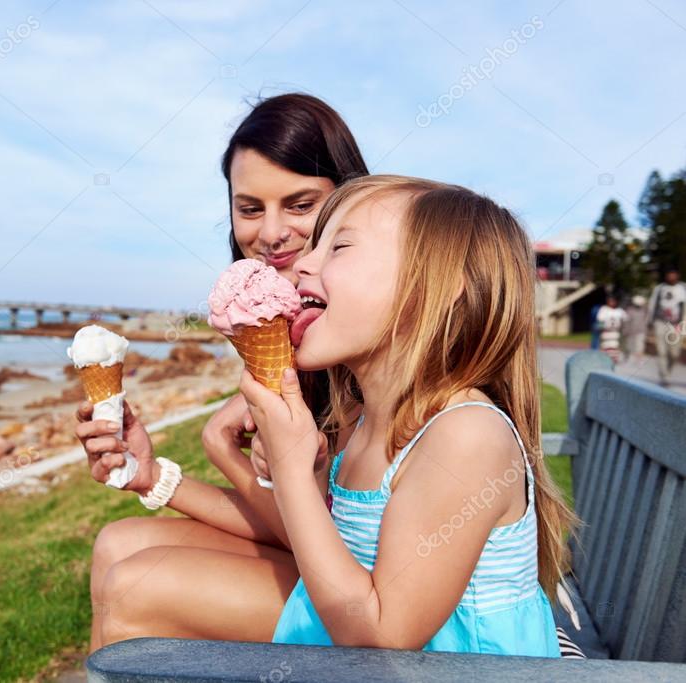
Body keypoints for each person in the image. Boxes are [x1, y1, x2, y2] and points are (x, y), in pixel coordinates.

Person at [77, 94, 369, 650]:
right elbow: (296, 529)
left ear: (349, 201)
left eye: (300, 204)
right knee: (117, 544)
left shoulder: (353, 344)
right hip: (333, 559)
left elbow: (330, 544)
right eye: (251, 209)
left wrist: (222, 450)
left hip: (379, 603)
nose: (272, 233)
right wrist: (151, 477)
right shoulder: (297, 344)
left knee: (136, 588)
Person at [240, 175, 573, 655]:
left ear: (435, 286)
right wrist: (309, 473)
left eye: (339, 247)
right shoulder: (362, 419)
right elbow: (342, 556)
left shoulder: (465, 436)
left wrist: (290, 473)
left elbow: (382, 636)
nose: (302, 265)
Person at [648, 268, 686, 386]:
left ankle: (667, 371)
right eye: (669, 274)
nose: (671, 277)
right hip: (660, 322)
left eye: (673, 274)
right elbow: (652, 304)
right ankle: (664, 376)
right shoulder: (659, 289)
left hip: (676, 324)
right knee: (661, 351)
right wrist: (649, 321)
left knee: (674, 353)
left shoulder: (683, 288)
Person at [595, 294, 627, 364]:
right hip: (606, 331)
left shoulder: (620, 311)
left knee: (614, 346)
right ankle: (604, 360)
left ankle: (613, 361)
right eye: (610, 301)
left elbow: (625, 320)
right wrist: (600, 329)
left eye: (613, 301)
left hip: (616, 332)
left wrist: (623, 329)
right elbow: (600, 321)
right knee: (606, 346)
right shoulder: (604, 309)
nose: (612, 303)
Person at [622, 295, 648, 365]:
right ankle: (626, 358)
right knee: (628, 346)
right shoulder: (630, 310)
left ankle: (639, 359)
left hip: (641, 331)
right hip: (631, 331)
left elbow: (646, 320)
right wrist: (625, 330)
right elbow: (627, 321)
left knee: (640, 346)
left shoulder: (644, 310)